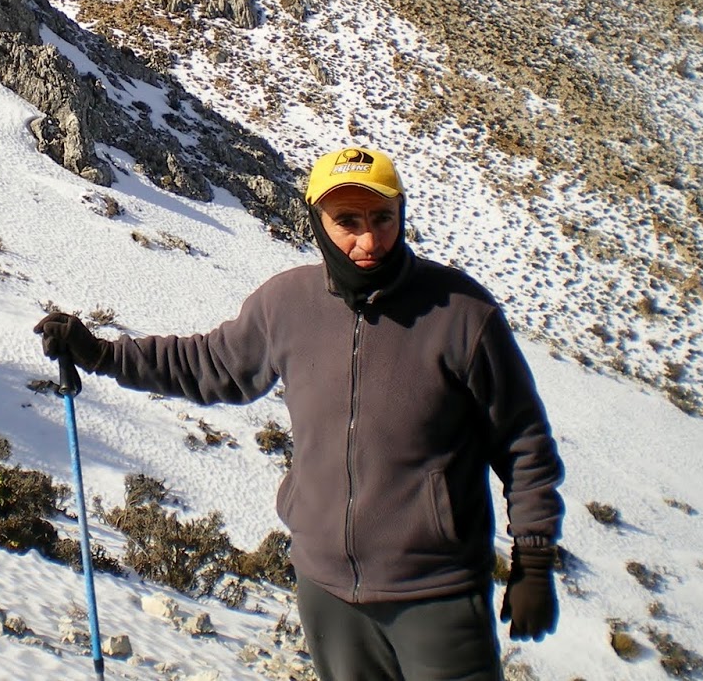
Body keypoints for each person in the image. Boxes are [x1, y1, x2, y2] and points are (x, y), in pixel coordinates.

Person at [35, 146, 564, 681]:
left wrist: (534, 560)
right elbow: (208, 365)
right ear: (316, 220)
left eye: (382, 217)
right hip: (326, 591)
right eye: (347, 221)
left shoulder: (461, 313)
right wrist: (101, 353)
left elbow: (522, 441)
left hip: (437, 592)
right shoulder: (288, 304)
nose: (368, 239)